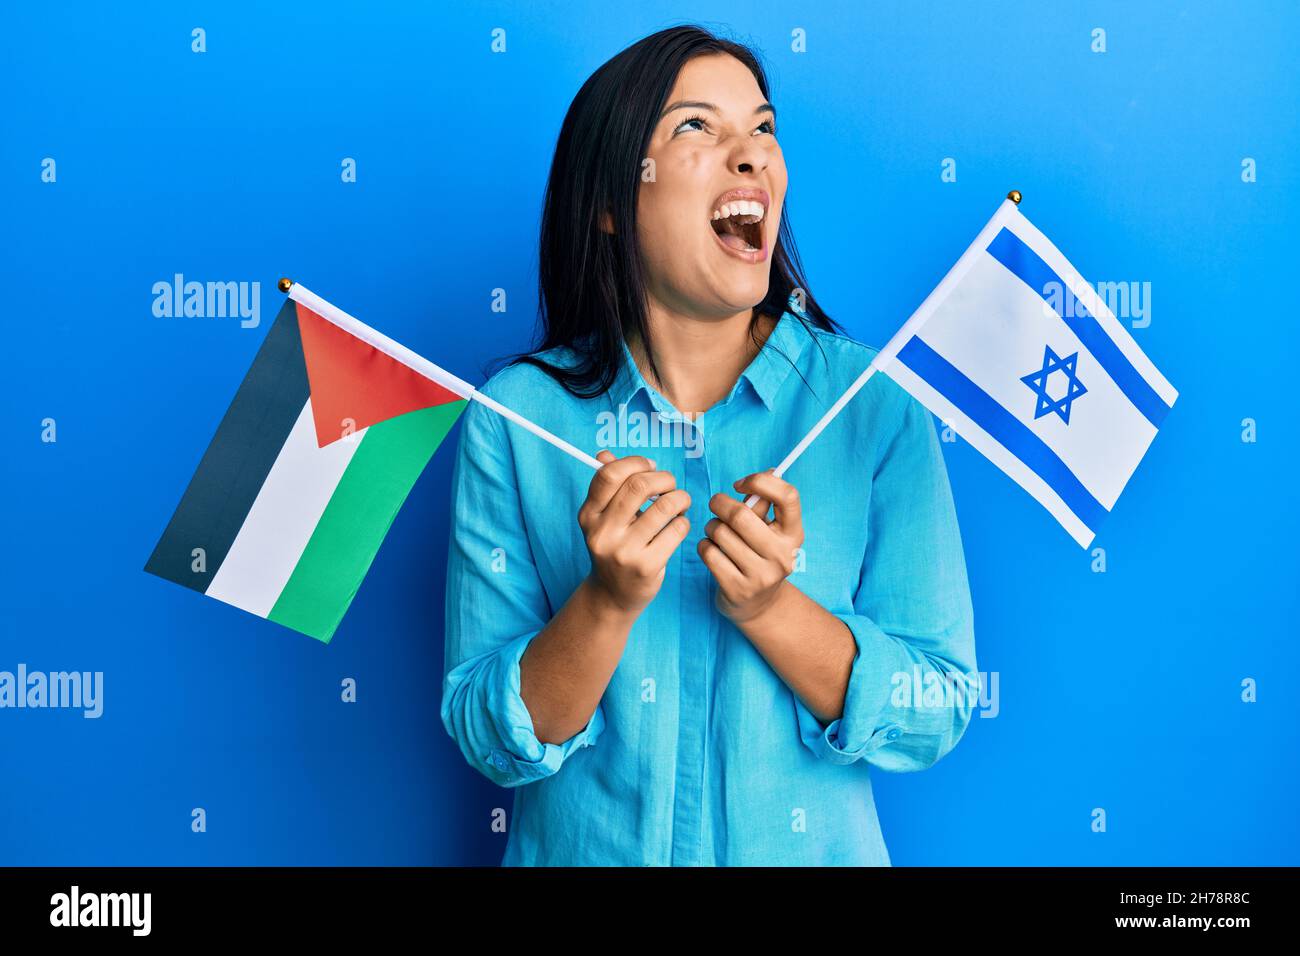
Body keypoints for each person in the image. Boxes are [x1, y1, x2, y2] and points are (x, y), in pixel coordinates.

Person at [441, 24, 977, 866]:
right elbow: (486, 734)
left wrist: (772, 609)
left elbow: (939, 704)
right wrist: (606, 602)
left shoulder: (872, 409)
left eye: (763, 129)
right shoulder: (516, 421)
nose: (751, 156)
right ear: (613, 202)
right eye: (698, 127)